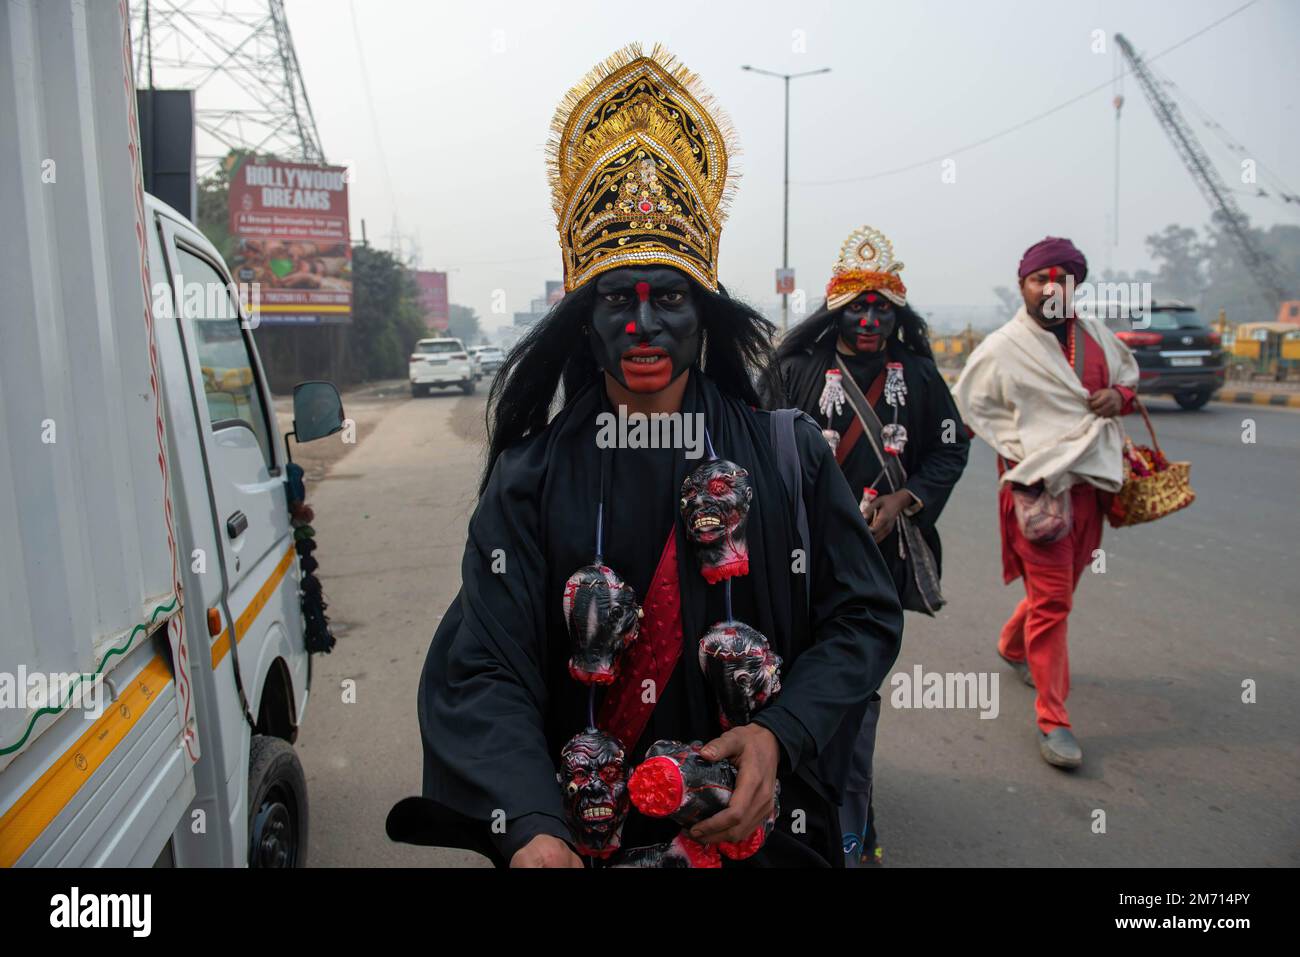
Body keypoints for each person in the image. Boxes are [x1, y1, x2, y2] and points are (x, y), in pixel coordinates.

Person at [388, 44, 902, 868]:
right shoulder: (531, 478)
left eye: (668, 297)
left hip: (759, 845)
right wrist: (529, 823)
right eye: (615, 300)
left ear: (704, 317)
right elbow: (484, 668)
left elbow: (863, 617)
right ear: (583, 324)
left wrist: (778, 734)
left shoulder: (787, 458)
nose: (642, 326)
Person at [766, 225, 970, 865]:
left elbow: (950, 446)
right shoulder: (794, 372)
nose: (870, 319)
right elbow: (752, 445)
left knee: (855, 688)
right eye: (858, 306)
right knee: (792, 677)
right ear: (837, 309)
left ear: (896, 314)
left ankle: (851, 826)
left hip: (876, 562)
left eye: (883, 307)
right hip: (798, 558)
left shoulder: (919, 376)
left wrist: (901, 501)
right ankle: (785, 808)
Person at [954, 236, 1138, 770]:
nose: (1052, 289)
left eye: (1063, 279)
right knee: (1055, 600)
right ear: (1023, 286)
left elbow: (1129, 377)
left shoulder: (1098, 336)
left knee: (1057, 593)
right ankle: (1054, 721)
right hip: (1036, 494)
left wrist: (1119, 397)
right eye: (1041, 279)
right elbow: (971, 406)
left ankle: (1013, 645)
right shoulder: (1001, 348)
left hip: (1091, 490)